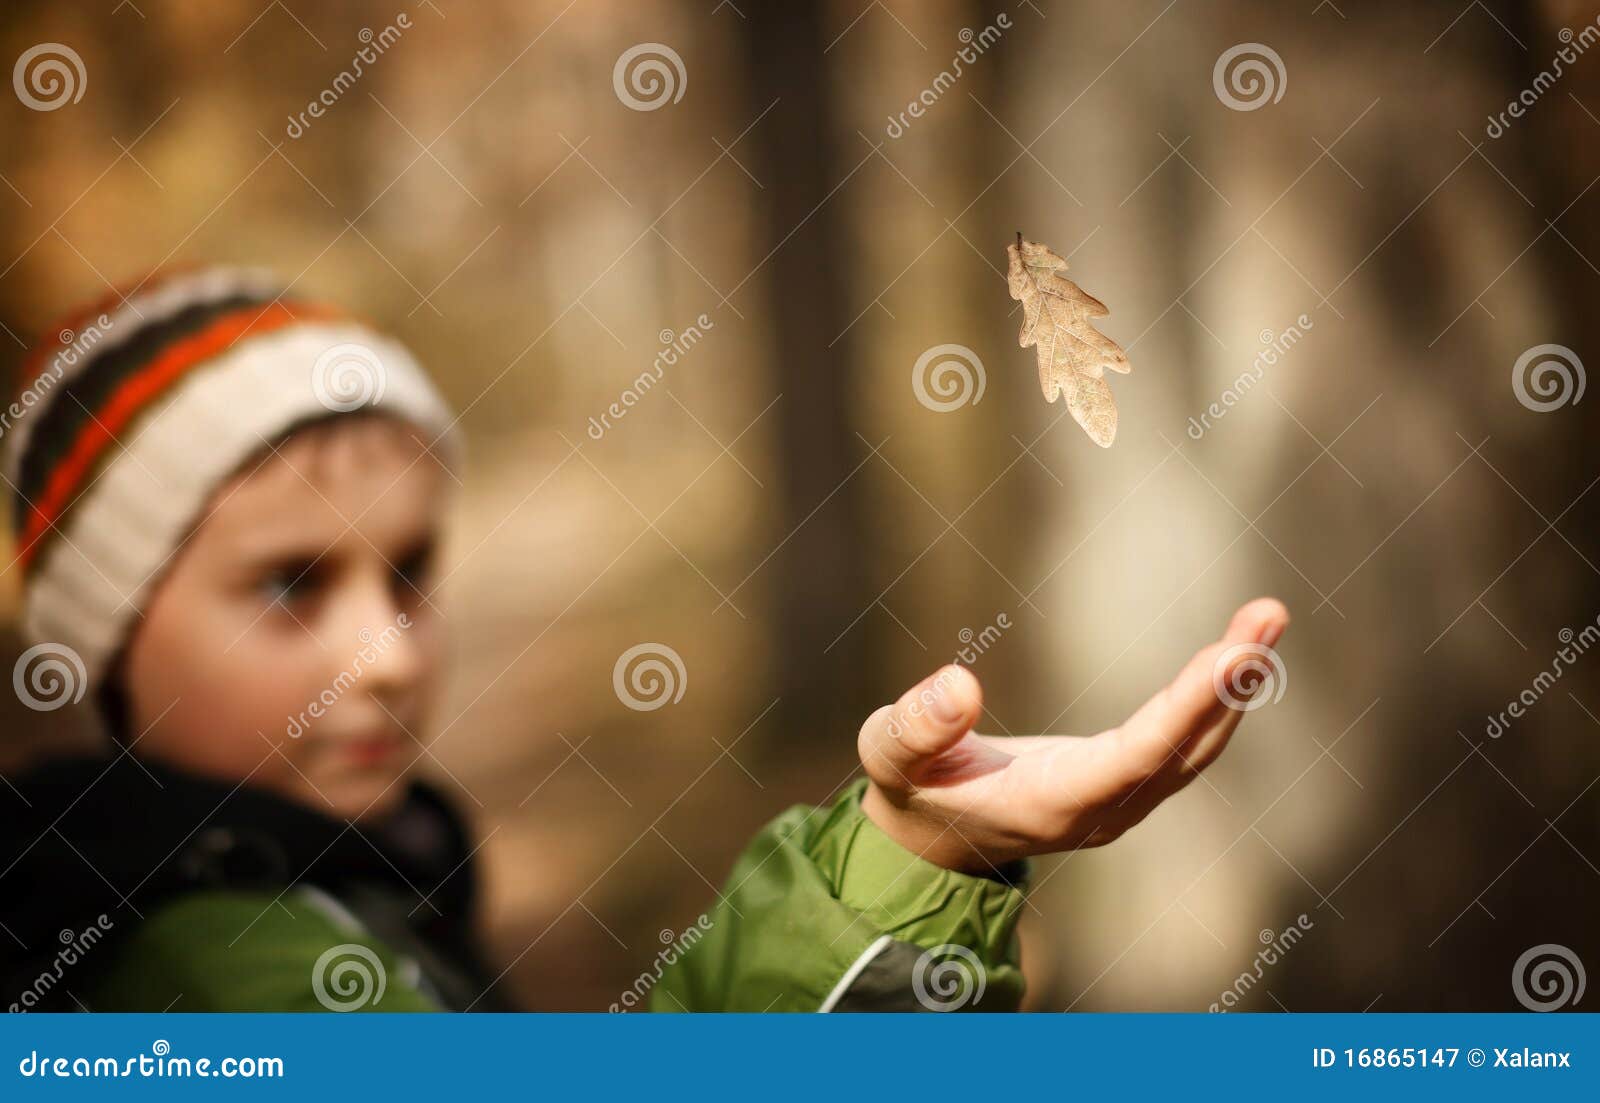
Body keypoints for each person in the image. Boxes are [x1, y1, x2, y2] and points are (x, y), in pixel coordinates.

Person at [0, 268, 1288, 1012]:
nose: (385, 653)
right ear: (102, 635)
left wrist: (917, 851)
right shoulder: (221, 973)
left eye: (409, 572)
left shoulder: (327, 892)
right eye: (289, 587)